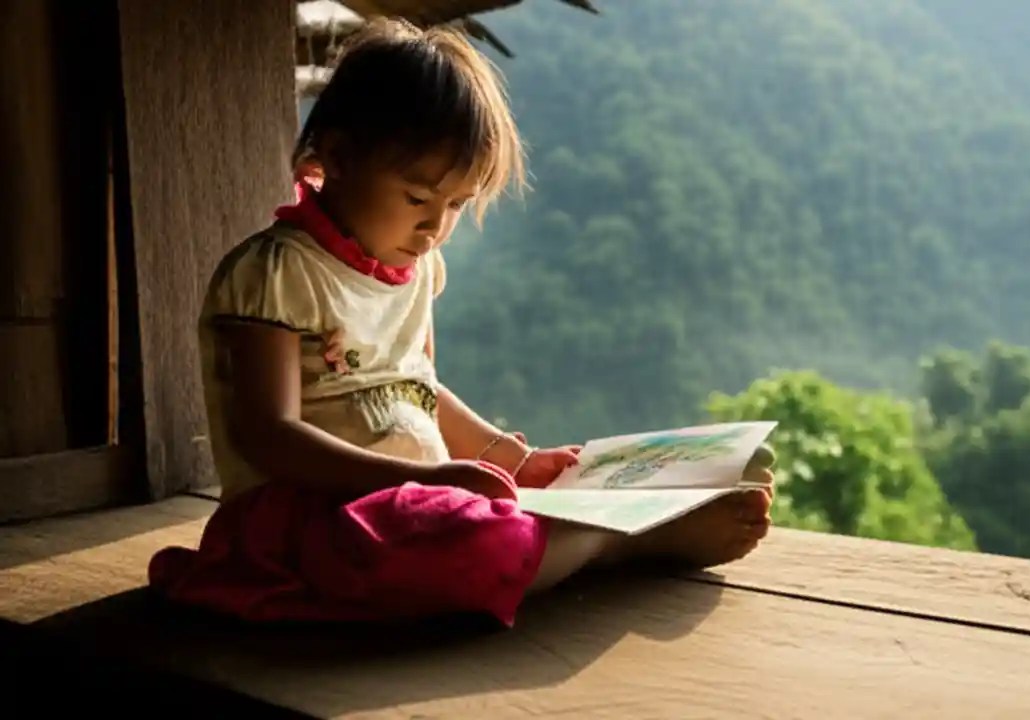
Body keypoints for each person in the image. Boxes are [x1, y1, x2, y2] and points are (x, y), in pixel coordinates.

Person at [148, 19, 772, 626]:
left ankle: (605, 524)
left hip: (414, 504)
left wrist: (514, 460)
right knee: (444, 544)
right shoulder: (277, 271)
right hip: (305, 521)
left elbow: (418, 387)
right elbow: (269, 435)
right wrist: (427, 476)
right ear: (335, 156)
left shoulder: (418, 270)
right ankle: (619, 541)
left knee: (465, 525)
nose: (435, 227)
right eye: (418, 199)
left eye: (457, 205)